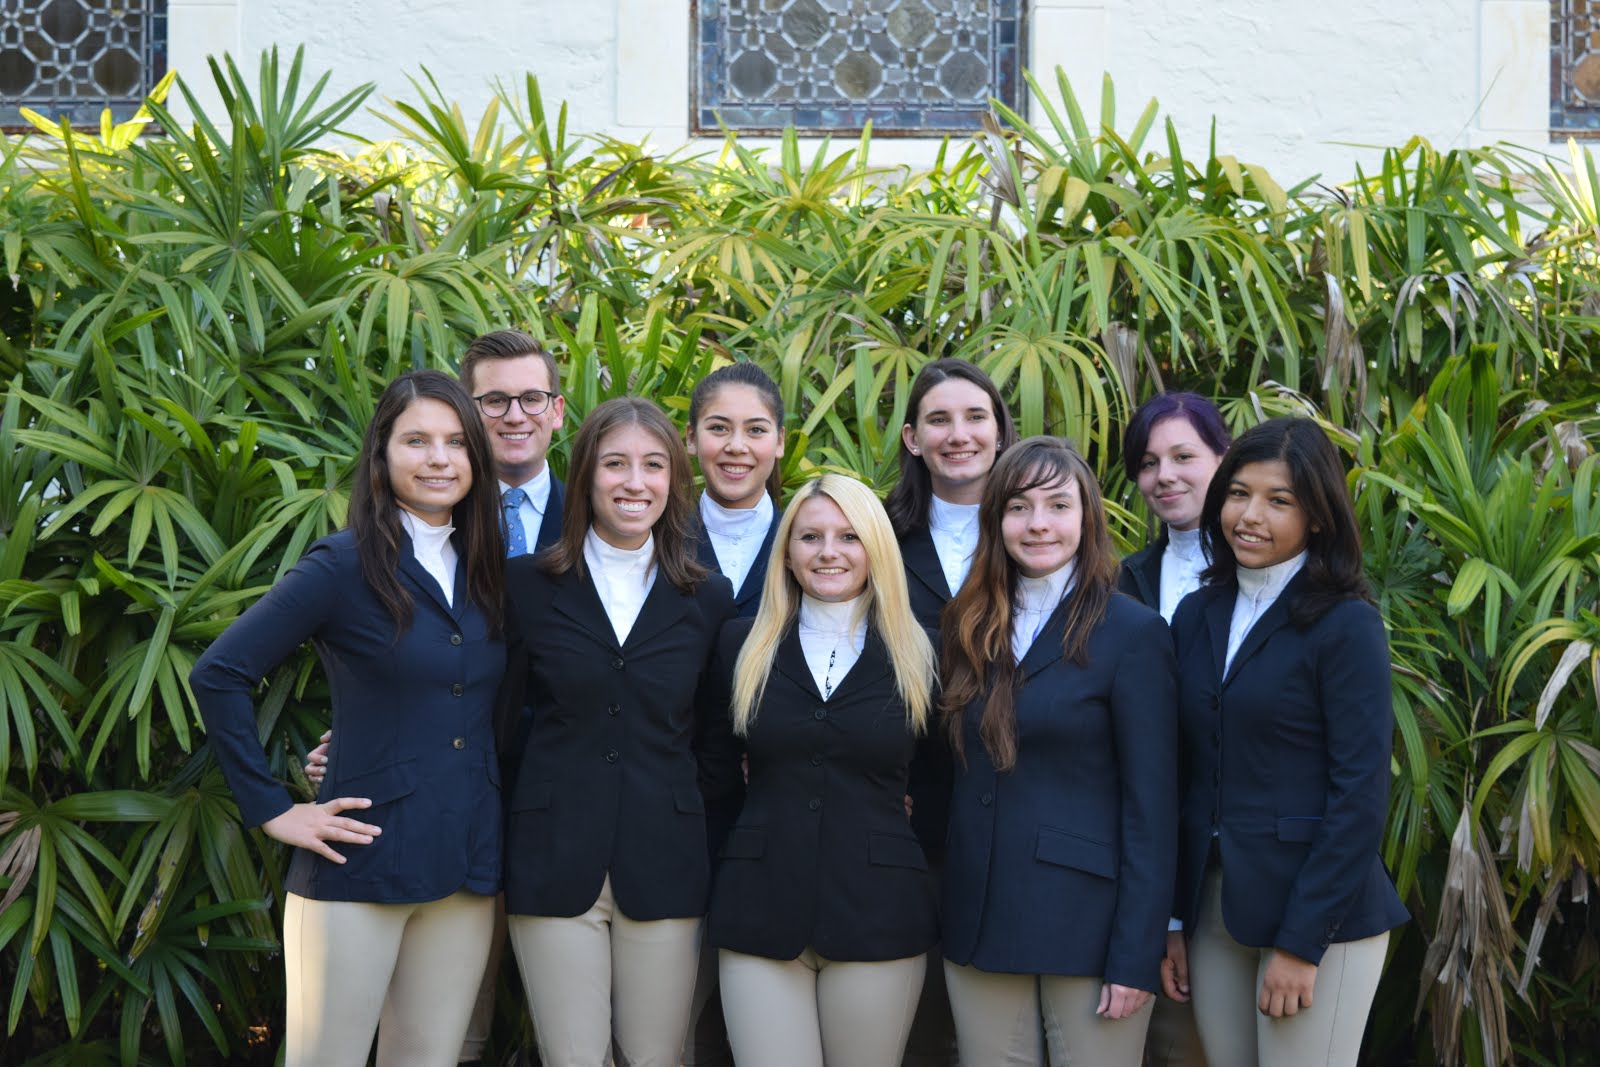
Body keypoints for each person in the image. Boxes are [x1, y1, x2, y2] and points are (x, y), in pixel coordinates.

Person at [191, 370, 507, 1066]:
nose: (438, 458)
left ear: (476, 460)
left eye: (457, 442)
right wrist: (273, 809)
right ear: (382, 455)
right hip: (359, 859)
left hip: (465, 863)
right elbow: (219, 673)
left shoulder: (487, 568)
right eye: (416, 439)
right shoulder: (343, 564)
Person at [305, 328, 567, 1067]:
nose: (514, 414)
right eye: (493, 400)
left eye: (531, 397)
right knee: (444, 1035)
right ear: (468, 414)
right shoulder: (404, 543)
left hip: (563, 805)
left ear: (556, 409)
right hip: (434, 808)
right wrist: (362, 738)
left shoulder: (602, 515)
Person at [499, 396, 737, 1067]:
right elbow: (496, 718)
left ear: (674, 479)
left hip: (666, 859)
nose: (635, 481)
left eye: (654, 464)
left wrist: (673, 797)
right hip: (552, 857)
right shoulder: (526, 585)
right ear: (583, 477)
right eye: (615, 464)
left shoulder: (707, 596)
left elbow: (717, 737)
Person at [1165, 417, 1408, 1066]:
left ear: (1319, 516)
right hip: (1216, 910)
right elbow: (1185, 770)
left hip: (1319, 915)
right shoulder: (1196, 613)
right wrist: (1174, 918)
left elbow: (1359, 792)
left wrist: (1303, 943)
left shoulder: (1346, 623)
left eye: (1280, 500)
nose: (1250, 514)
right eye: (1239, 492)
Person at [939, 436, 1179, 1066]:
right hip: (977, 917)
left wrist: (1137, 951)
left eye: (1057, 505)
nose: (1038, 523)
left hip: (1089, 929)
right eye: (1018, 507)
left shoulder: (1133, 633)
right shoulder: (965, 625)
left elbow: (1151, 809)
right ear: (996, 521)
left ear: (1087, 518)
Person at [707, 475, 939, 1067]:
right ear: (787, 552)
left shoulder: (926, 652)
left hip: (880, 910)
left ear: (877, 549)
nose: (828, 552)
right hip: (759, 906)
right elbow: (713, 769)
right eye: (810, 536)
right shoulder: (740, 644)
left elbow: (943, 779)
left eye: (848, 537)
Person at [884, 357, 1018, 1066]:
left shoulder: (1039, 530)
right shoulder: (874, 538)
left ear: (1000, 432)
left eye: (975, 417)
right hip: (906, 816)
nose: (958, 433)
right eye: (939, 419)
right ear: (912, 438)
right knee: (911, 1029)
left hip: (1019, 807)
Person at [1117, 392, 1230, 1067]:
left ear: (1223, 457)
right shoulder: (1128, 577)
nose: (1166, 476)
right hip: (1157, 841)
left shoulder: (1264, 573)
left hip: (1238, 851)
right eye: (1149, 462)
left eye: (1185, 456)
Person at [681, 360, 788, 1067]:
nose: (736, 446)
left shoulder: (821, 538)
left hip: (790, 806)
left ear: (781, 442)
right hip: (681, 802)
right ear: (691, 440)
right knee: (674, 1011)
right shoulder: (651, 535)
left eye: (755, 429)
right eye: (718, 428)